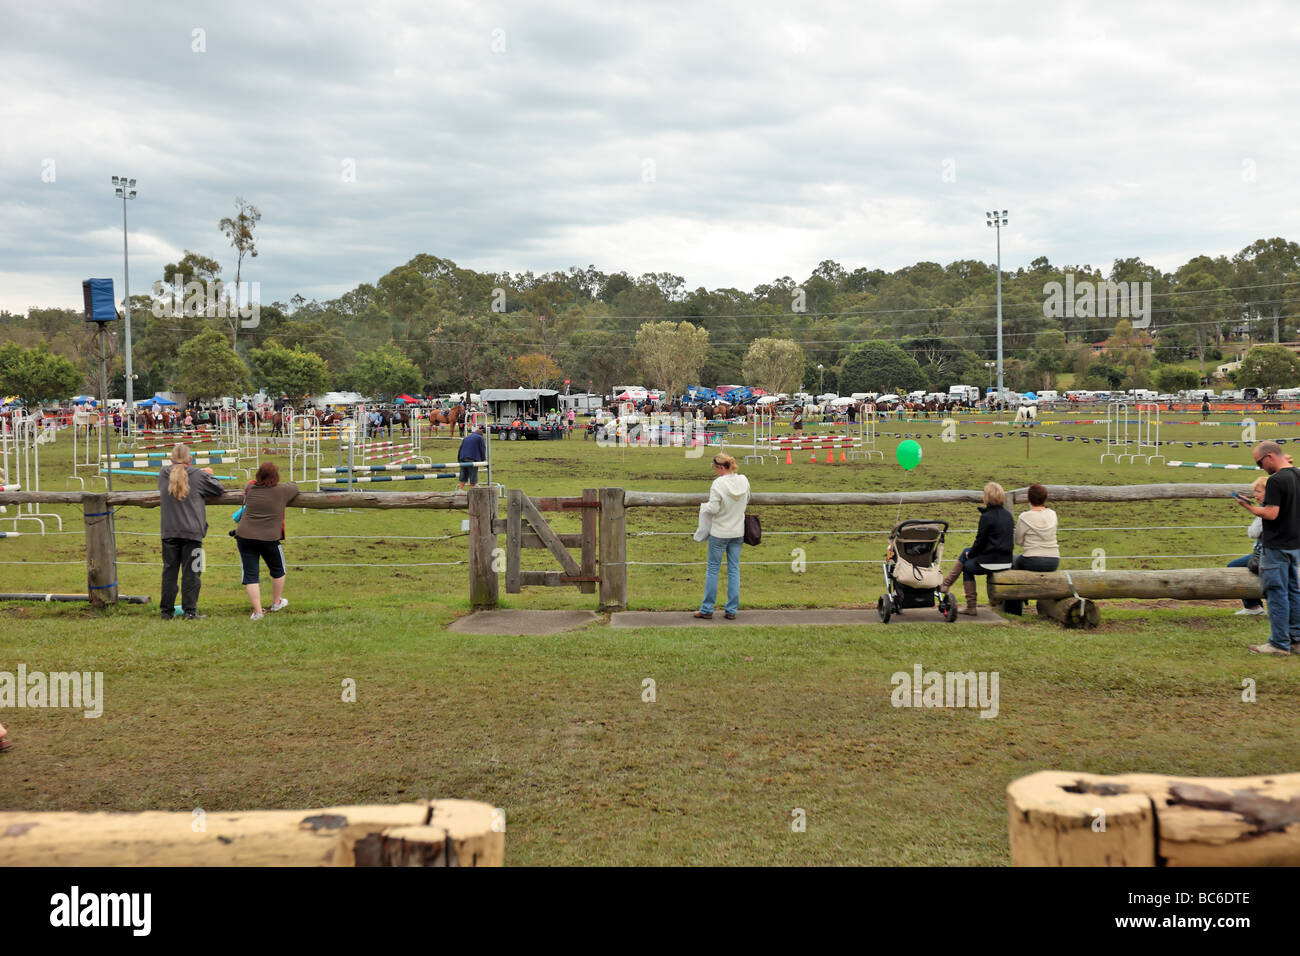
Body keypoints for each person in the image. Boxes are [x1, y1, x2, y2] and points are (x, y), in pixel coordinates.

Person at [1237, 441, 1300, 654]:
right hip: (1295, 545)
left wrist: (1250, 507)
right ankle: (1296, 639)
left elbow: (1272, 514)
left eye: (1259, 462)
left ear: (1270, 456)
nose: (1260, 467)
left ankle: (1278, 644)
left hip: (1275, 546)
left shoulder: (1275, 481)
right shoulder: (1297, 475)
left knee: (1276, 594)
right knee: (1293, 592)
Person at [158, 444, 225, 620]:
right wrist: (210, 474)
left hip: (169, 531)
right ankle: (190, 611)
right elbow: (218, 489)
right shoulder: (199, 475)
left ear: (171, 459)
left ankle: (166, 611)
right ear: (191, 459)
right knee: (193, 572)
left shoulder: (163, 474)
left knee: (169, 572)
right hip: (193, 533)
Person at [235, 462, 299, 621]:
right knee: (278, 569)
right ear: (276, 477)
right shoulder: (282, 490)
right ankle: (276, 602)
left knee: (251, 575)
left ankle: (257, 612)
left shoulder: (250, 488)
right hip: (269, 538)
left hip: (245, 535)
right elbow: (295, 486)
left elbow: (248, 484)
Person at [941, 482, 1013, 615]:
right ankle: (945, 584)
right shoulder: (1008, 516)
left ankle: (969, 605)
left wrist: (972, 553)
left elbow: (980, 541)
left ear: (987, 497)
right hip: (1006, 561)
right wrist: (972, 552)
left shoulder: (986, 517)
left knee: (967, 566)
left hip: (990, 561)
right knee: (966, 552)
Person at [694, 453, 751, 620]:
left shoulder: (718, 483)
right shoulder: (744, 480)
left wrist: (703, 508)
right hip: (738, 531)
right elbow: (746, 499)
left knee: (713, 569)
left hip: (720, 531)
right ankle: (732, 609)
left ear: (720, 467)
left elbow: (712, 508)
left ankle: (707, 608)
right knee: (734, 569)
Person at [1002, 483, 1060, 616]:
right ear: (1045, 498)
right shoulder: (1052, 514)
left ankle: (1013, 608)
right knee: (1016, 561)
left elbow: (1018, 540)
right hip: (1053, 560)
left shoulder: (1025, 517)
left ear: (1029, 498)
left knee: (1012, 563)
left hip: (1033, 559)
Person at [1227, 474, 1269, 616]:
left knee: (1233, 567)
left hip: (1266, 553)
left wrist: (1252, 509)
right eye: (1254, 492)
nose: (1255, 495)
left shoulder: (1266, 510)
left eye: (1259, 492)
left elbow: (1253, 532)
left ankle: (1252, 606)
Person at [457, 425, 487, 490]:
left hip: (462, 458)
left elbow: (460, 448)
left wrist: (459, 460)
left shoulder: (466, 437)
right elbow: (482, 449)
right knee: (473, 477)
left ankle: (459, 490)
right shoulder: (480, 438)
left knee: (463, 476)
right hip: (472, 459)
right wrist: (483, 460)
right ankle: (471, 492)